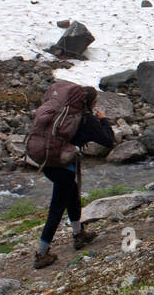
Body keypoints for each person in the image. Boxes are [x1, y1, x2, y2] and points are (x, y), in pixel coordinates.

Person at [34, 88, 114, 269]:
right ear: (91, 104)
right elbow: (109, 140)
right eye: (95, 102)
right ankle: (41, 254)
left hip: (48, 162)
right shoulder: (87, 120)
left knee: (72, 196)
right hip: (64, 167)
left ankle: (79, 235)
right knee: (56, 208)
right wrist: (103, 120)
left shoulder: (61, 115)